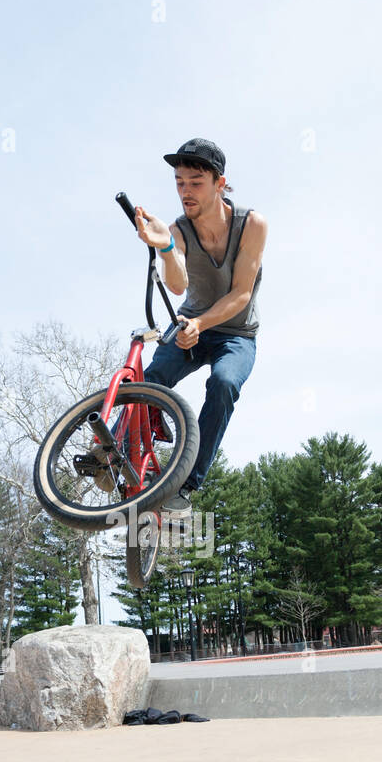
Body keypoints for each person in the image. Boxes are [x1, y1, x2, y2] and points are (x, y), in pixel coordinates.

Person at [133, 138, 267, 514]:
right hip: (192, 324)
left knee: (224, 383)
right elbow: (177, 285)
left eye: (195, 182)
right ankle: (121, 451)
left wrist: (201, 323)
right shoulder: (178, 229)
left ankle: (187, 484)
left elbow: (242, 293)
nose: (185, 192)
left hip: (237, 335)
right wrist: (164, 247)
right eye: (179, 183)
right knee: (153, 377)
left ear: (219, 183)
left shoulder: (251, 224)